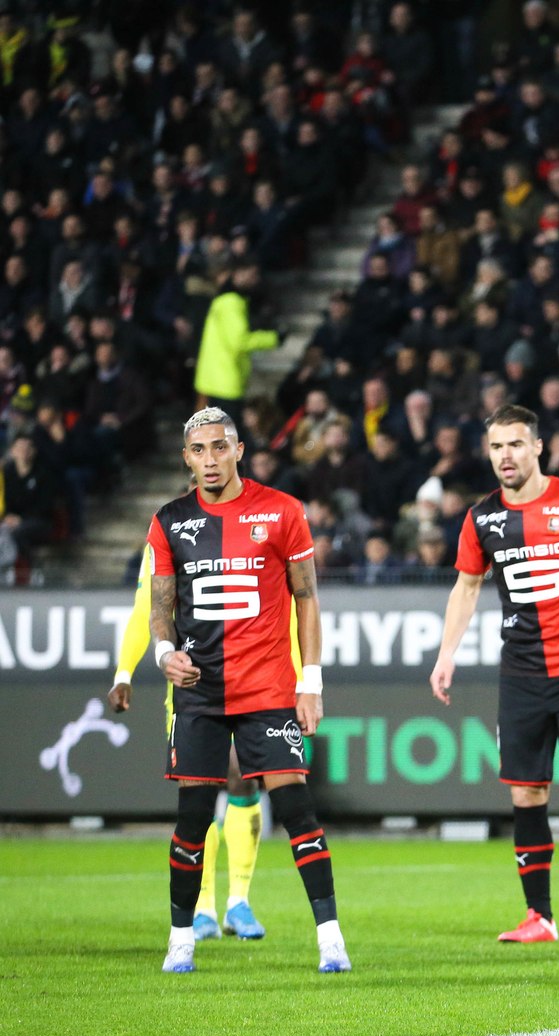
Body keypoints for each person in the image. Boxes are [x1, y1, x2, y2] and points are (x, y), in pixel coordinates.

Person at [145, 408, 347, 975]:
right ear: (187, 458)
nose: (209, 459)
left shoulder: (282, 511)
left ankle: (331, 938)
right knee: (191, 819)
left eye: (219, 447)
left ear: (239, 449)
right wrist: (165, 655)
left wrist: (311, 682)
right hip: (201, 695)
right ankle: (180, 940)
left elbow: (307, 599)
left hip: (268, 689)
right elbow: (163, 607)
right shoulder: (168, 522)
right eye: (198, 450)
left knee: (297, 808)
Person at [430, 404, 559, 945]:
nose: (506, 456)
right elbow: (467, 587)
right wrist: (446, 652)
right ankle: (539, 916)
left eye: (516, 445)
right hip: (521, 674)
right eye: (497, 447)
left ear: (538, 447)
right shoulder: (481, 518)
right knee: (526, 795)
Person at [110, 540, 277, 942]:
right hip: (190, 690)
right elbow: (145, 610)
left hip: (245, 681)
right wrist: (123, 673)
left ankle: (239, 901)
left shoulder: (247, 531)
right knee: (198, 793)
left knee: (244, 777)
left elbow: (282, 605)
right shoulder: (166, 537)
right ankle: (203, 907)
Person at [194, 263, 280, 413]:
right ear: (238, 273)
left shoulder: (225, 300)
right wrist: (273, 338)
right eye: (252, 275)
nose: (256, 280)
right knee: (230, 432)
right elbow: (240, 342)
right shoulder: (231, 303)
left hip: (215, 379)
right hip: (225, 381)